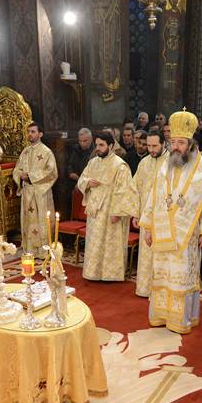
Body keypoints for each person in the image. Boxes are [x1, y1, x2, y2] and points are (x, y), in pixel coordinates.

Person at [139, 110, 202, 333]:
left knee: (182, 276)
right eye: (173, 142)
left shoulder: (199, 169)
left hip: (187, 234)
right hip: (163, 233)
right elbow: (153, 196)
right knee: (163, 274)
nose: (176, 147)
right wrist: (148, 227)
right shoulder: (166, 165)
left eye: (181, 142)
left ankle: (182, 319)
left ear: (190, 144)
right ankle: (162, 315)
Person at [77, 130, 138, 281]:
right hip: (95, 210)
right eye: (97, 145)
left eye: (102, 145)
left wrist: (117, 212)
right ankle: (93, 273)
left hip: (111, 210)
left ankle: (110, 275)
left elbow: (124, 191)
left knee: (111, 242)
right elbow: (82, 179)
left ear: (110, 145)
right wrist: (87, 183)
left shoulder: (120, 165)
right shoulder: (93, 162)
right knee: (95, 242)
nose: (98, 148)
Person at [13, 121, 57, 256]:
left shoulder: (46, 152)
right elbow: (17, 169)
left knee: (42, 221)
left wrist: (31, 177)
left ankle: (43, 251)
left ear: (40, 134)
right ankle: (30, 249)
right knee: (29, 221)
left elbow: (52, 172)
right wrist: (20, 175)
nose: (30, 134)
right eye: (29, 132)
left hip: (40, 192)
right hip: (27, 192)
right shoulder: (25, 152)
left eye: (33, 131)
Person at [132, 130, 166, 298]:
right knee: (146, 253)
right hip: (146, 217)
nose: (151, 149)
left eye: (155, 146)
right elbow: (135, 189)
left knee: (161, 255)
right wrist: (135, 214)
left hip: (164, 218)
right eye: (149, 146)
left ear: (163, 144)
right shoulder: (144, 163)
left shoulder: (171, 163)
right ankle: (145, 289)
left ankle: (160, 292)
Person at [63, 127, 94, 213]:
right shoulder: (75, 150)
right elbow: (69, 164)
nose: (82, 143)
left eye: (85, 141)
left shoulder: (95, 152)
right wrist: (70, 172)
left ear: (91, 139)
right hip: (73, 183)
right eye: (80, 141)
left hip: (88, 186)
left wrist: (80, 179)